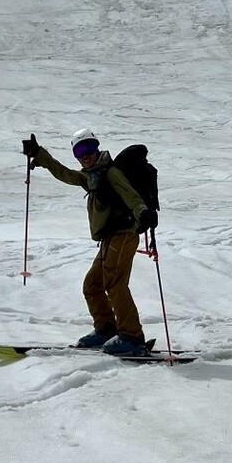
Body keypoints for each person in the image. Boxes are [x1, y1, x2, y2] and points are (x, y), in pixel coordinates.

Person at [22, 129, 151, 356]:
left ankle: (132, 337)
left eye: (89, 148)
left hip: (123, 235)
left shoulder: (110, 173)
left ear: (97, 148)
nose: (85, 155)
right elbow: (66, 175)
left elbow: (131, 195)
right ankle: (106, 329)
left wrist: (143, 213)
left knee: (115, 284)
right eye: (79, 151)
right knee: (92, 285)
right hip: (109, 239)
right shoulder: (92, 176)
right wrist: (40, 155)